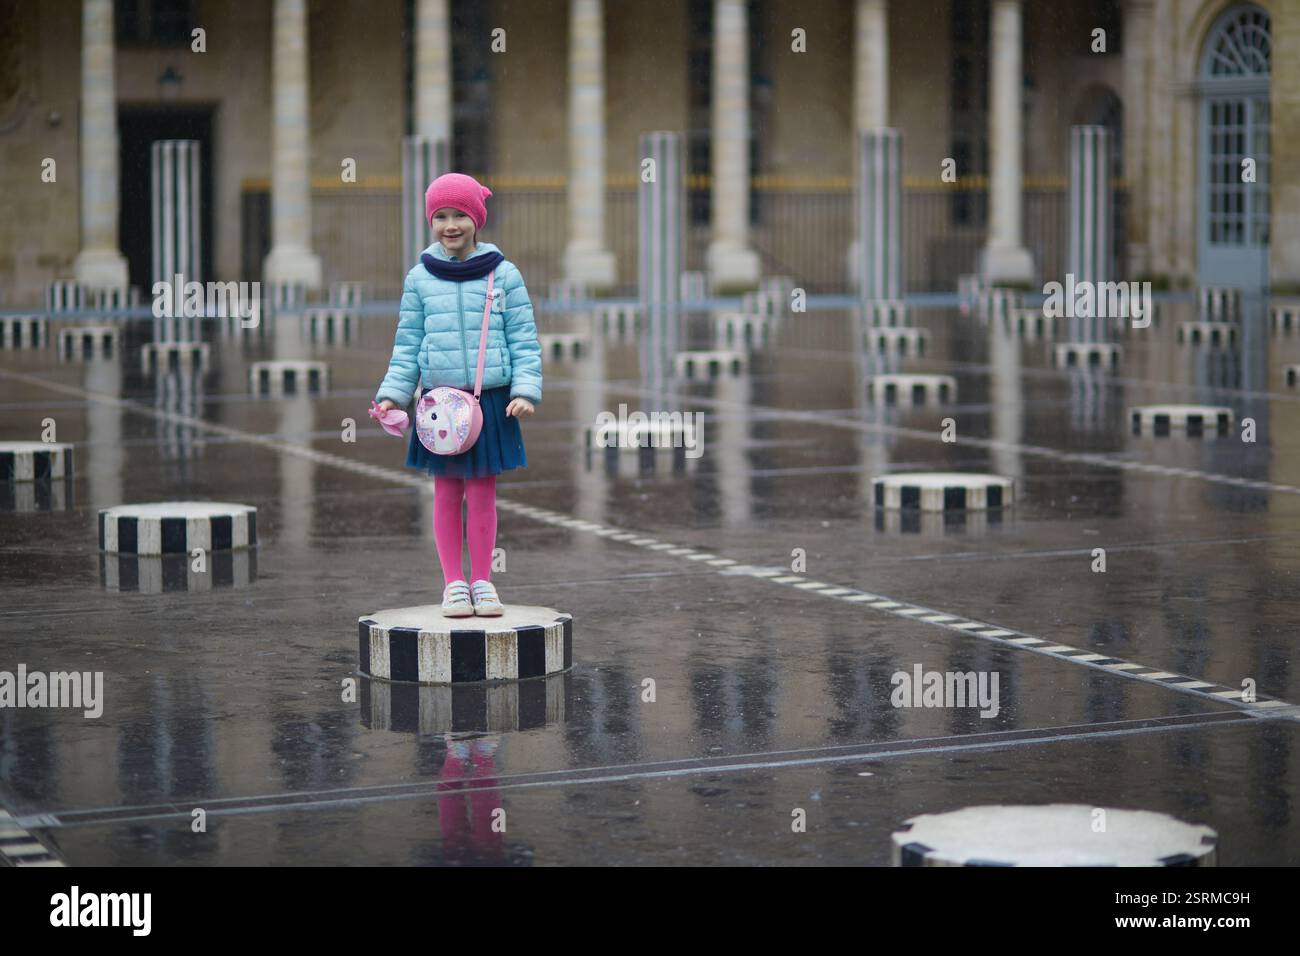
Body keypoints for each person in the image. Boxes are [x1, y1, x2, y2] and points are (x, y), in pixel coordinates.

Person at [373, 173, 541, 617]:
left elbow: (523, 337)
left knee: (483, 491)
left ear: (477, 220)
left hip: (491, 399)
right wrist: (393, 394)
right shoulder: (420, 279)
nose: (451, 225)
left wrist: (525, 390)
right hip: (440, 403)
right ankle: (453, 584)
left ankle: (483, 581)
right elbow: (408, 343)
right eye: (441, 216)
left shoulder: (504, 274)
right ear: (431, 221)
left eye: (460, 215)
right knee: (446, 492)